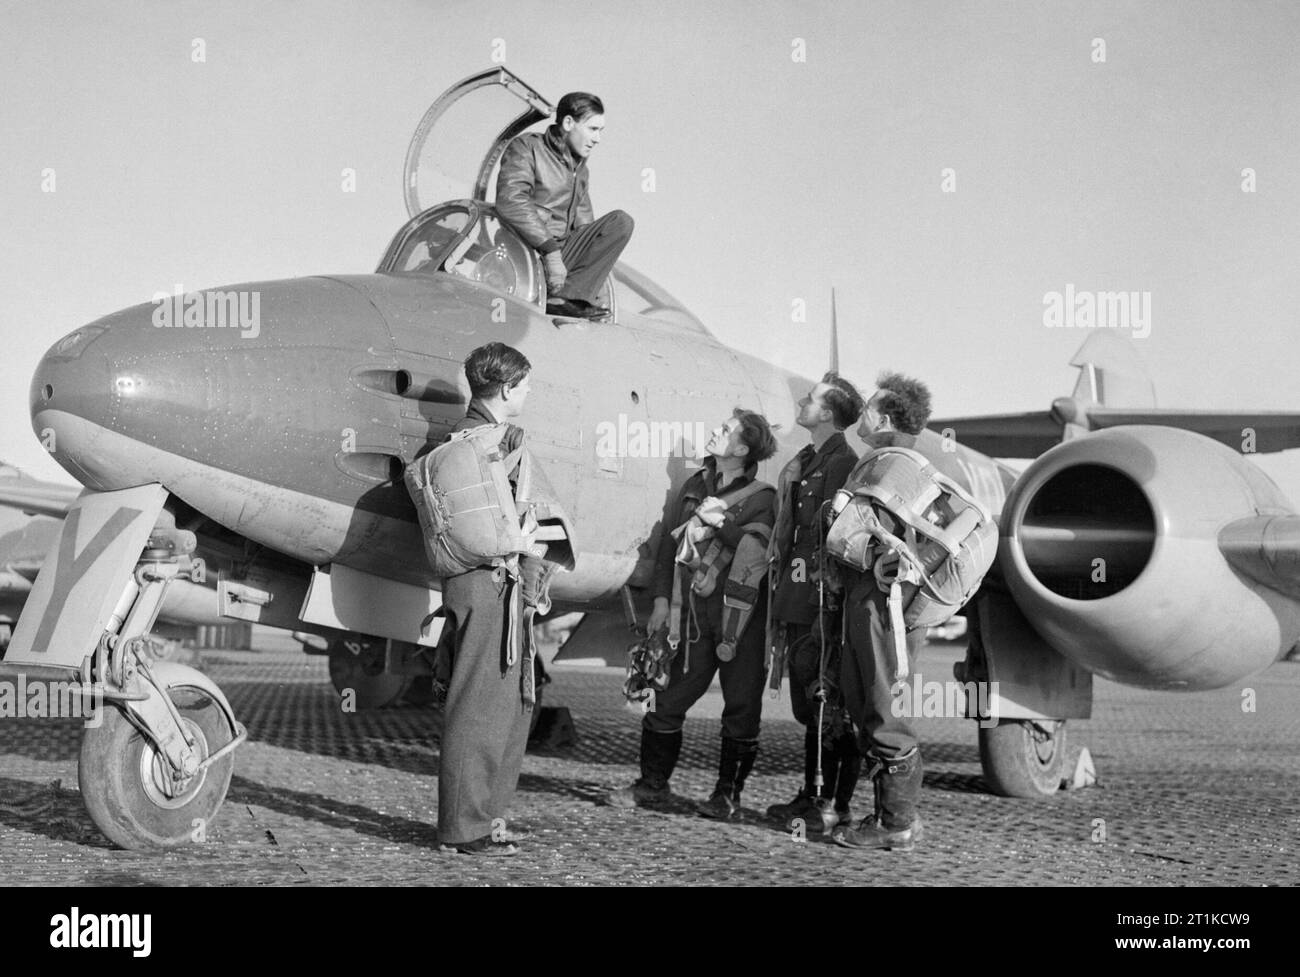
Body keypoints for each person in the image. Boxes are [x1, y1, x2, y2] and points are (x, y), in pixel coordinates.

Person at [606, 409, 778, 819]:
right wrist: (662, 601)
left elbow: (759, 554)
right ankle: (652, 787)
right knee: (664, 699)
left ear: (742, 448)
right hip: (692, 618)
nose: (716, 431)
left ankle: (726, 797)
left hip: (741, 623)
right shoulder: (693, 486)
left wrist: (722, 525)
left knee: (741, 710)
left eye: (726, 431)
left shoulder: (762, 498)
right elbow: (669, 547)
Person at [434, 342, 546, 857]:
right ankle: (464, 828)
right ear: (505, 388)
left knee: (508, 704)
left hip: (481, 583)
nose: (528, 393)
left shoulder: (457, 441)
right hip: (491, 583)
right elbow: (528, 518)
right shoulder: (493, 445)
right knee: (479, 706)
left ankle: (484, 819)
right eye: (524, 385)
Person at [831, 372, 934, 852]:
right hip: (871, 600)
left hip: (882, 604)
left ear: (886, 417)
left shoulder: (890, 466)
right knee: (868, 704)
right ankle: (888, 818)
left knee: (884, 709)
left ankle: (897, 825)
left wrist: (868, 559)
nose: (862, 415)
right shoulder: (889, 462)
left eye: (870, 407)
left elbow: (875, 538)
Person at [764, 372, 865, 834]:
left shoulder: (843, 460)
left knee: (829, 700)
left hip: (821, 597)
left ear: (827, 413)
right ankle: (812, 795)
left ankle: (833, 803)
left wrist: (828, 603)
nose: (802, 401)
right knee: (810, 701)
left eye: (812, 399)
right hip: (798, 591)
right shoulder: (808, 458)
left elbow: (835, 537)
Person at [495, 91, 634, 320]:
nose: (598, 138)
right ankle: (563, 297)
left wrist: (593, 281)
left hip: (561, 258)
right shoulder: (528, 148)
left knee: (620, 223)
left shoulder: (580, 171)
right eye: (592, 129)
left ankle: (569, 297)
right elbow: (511, 199)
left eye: (601, 131)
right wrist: (550, 252)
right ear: (568, 123)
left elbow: (584, 228)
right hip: (528, 253)